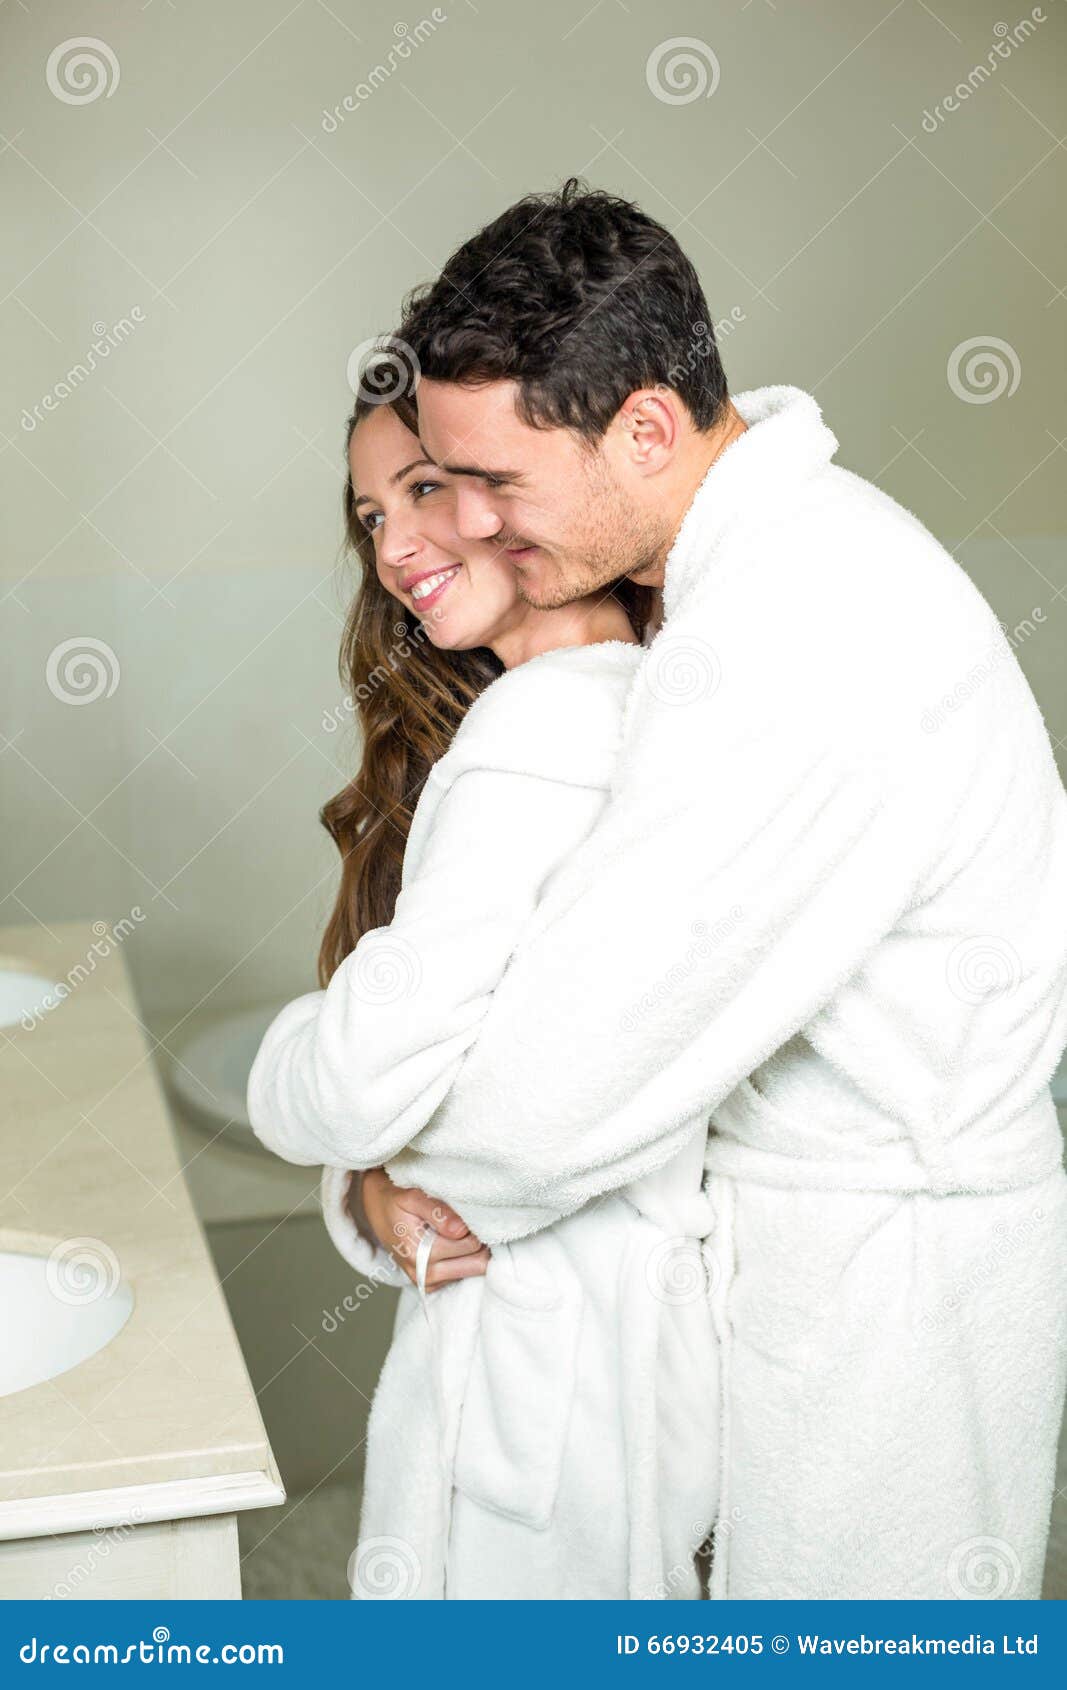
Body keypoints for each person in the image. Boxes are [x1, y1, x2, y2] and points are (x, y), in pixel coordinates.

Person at [333, 180, 1067, 1600]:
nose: (469, 521)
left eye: (498, 480)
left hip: (881, 1304)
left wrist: (376, 1164)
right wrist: (368, 1178)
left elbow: (567, 1069)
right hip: (792, 1248)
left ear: (647, 427)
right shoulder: (723, 577)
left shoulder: (805, 621)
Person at [246, 371, 719, 1599]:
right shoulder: (612, 714)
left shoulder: (538, 743)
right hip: (580, 1347)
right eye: (367, 515)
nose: (393, 545)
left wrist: (300, 1075)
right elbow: (455, 1075)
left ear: (521, 487)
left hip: (553, 1379)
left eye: (423, 489)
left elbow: (354, 1076)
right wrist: (372, 1193)